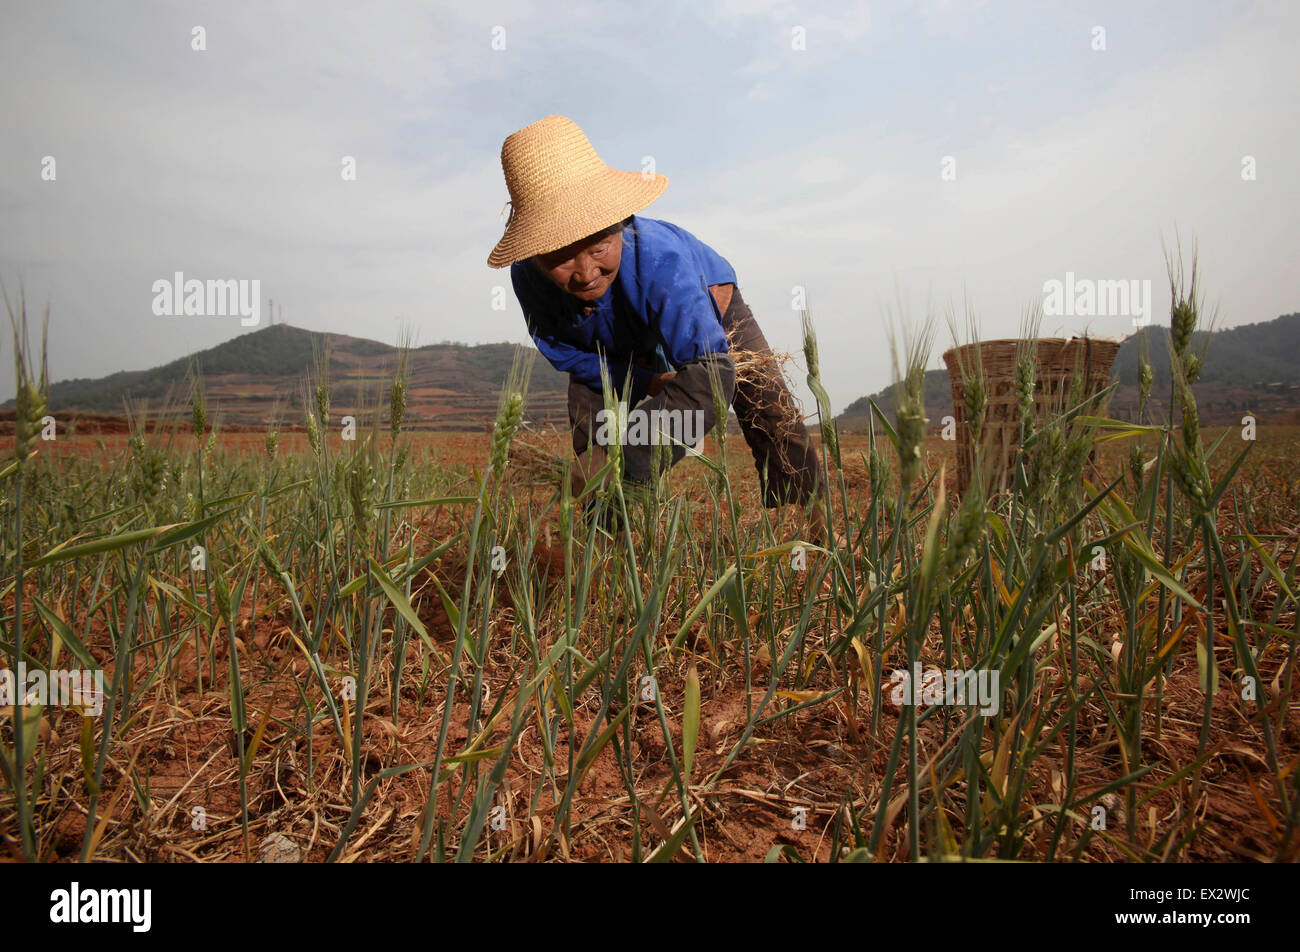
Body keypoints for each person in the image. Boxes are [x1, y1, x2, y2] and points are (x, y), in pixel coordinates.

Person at [487, 115, 825, 521]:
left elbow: (713, 379)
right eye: (560, 259)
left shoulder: (662, 260)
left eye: (599, 249)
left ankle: (805, 525)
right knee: (592, 420)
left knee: (768, 404)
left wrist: (627, 453)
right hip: (613, 344)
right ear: (535, 254)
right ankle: (611, 534)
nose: (585, 273)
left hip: (706, 306)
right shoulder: (529, 278)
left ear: (620, 224)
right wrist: (643, 384)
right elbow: (568, 353)